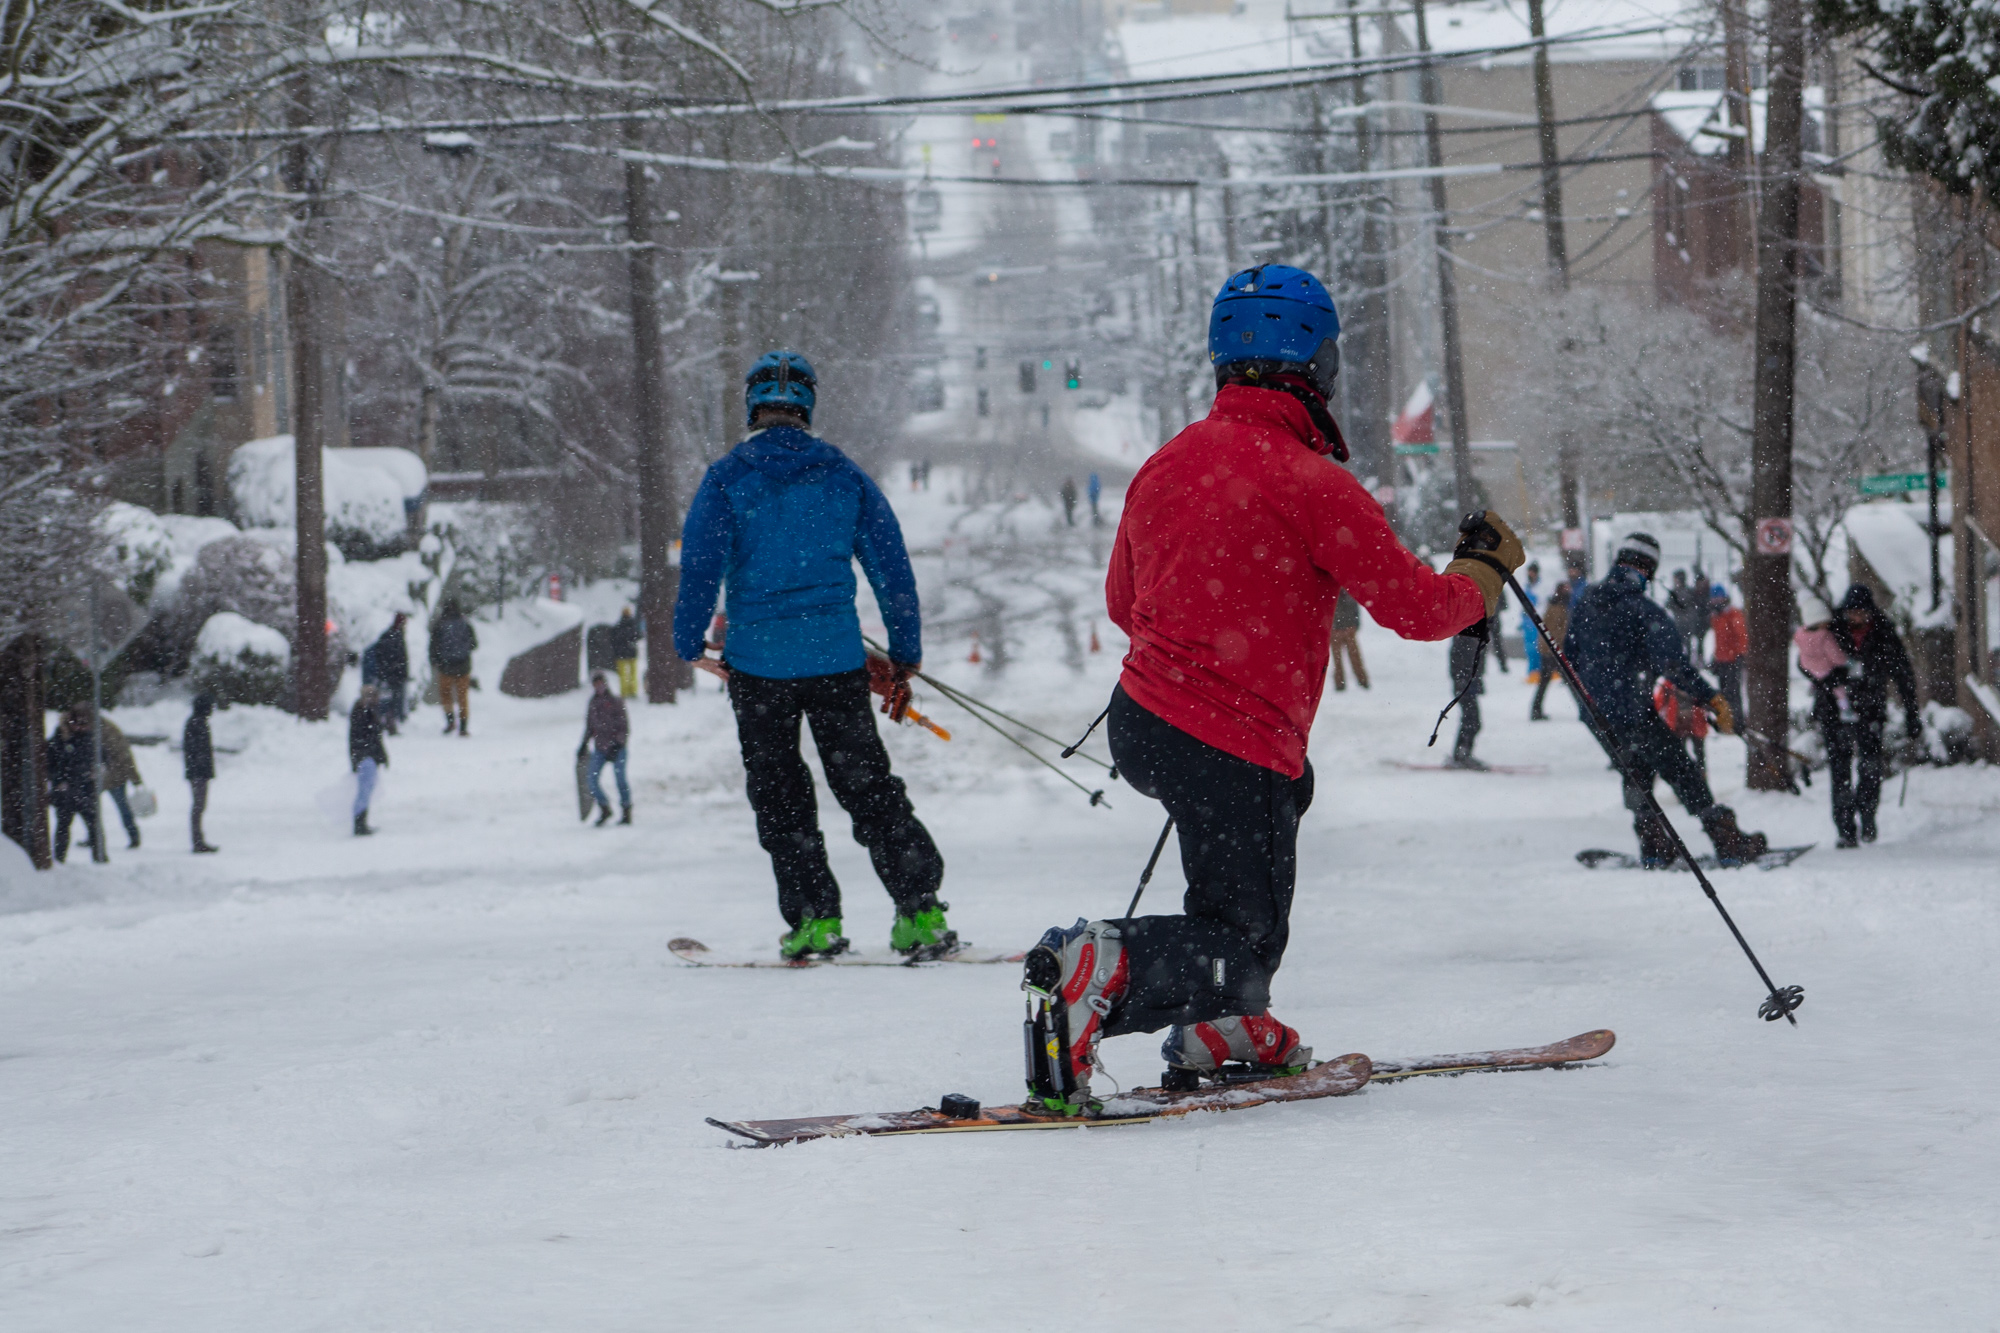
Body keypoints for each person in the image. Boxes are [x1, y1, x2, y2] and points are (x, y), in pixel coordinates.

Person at [1021, 264, 1518, 1115]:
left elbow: (1120, 603)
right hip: (1230, 735)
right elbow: (1416, 608)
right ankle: (1100, 969)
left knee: (1254, 844)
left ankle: (1225, 1027)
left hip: (1143, 720)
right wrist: (1484, 572)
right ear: (1318, 367)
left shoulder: (1167, 464)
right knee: (1245, 934)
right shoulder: (1313, 482)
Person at [675, 349, 954, 962]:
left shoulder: (727, 478)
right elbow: (890, 566)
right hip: (834, 662)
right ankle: (921, 913)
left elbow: (699, 563)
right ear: (809, 405)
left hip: (757, 668)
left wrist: (687, 639)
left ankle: (813, 922)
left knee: (781, 797)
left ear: (753, 406)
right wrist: (904, 650)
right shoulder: (843, 475)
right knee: (870, 789)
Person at [1565, 533, 1768, 867]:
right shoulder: (1643, 609)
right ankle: (1725, 840)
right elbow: (1673, 665)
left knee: (1636, 772)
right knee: (1680, 768)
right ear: (1649, 568)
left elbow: (1568, 656)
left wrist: (1595, 698)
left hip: (1595, 712)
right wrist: (1713, 698)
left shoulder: (1586, 601)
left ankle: (1654, 841)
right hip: (1631, 709)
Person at [1811, 584, 1920, 847]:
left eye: (1861, 613)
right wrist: (1828, 681)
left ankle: (1868, 816)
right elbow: (1807, 659)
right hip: (1835, 710)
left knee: (1870, 768)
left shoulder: (1883, 632)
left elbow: (1902, 673)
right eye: (1852, 613)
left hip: (1870, 709)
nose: (1856, 619)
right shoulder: (1831, 629)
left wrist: (1911, 712)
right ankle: (1845, 828)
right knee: (1840, 771)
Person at [47, 707, 106, 863]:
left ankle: (100, 858)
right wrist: (59, 781)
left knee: (94, 826)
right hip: (66, 791)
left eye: (84, 724)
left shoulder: (89, 738)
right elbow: (50, 764)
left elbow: (103, 756)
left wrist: (96, 770)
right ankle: (59, 858)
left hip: (86, 788)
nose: (80, 727)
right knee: (63, 826)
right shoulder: (58, 740)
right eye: (77, 723)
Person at [578, 669, 632, 826]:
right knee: (591, 781)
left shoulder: (616, 702)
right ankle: (604, 808)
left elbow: (624, 727)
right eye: (596, 684)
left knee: (620, 779)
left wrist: (618, 743)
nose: (598, 687)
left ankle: (626, 809)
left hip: (618, 748)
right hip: (600, 748)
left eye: (601, 683)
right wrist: (583, 744)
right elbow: (589, 727)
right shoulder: (593, 704)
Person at [96, 710, 143, 850]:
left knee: (120, 806)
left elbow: (123, 755)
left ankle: (133, 835)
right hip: (111, 775)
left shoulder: (106, 731)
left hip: (112, 775)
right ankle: (133, 835)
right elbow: (125, 755)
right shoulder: (107, 729)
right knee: (121, 807)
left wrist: (134, 777)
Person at [429, 599, 477, 735]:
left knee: (446, 695)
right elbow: (474, 644)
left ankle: (450, 721)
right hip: (463, 666)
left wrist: (435, 661)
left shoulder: (440, 625)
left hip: (445, 667)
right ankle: (463, 726)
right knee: (463, 696)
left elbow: (433, 646)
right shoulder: (465, 624)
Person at [1530, 579, 1572, 721]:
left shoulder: (1556, 605)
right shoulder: (1558, 607)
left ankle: (1535, 710)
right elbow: (1556, 630)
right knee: (1570, 680)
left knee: (1546, 681)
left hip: (1550, 648)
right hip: (1552, 650)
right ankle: (1586, 710)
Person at [349, 684, 388, 836]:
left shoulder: (370, 712)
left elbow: (376, 738)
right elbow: (362, 738)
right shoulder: (361, 712)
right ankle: (359, 824)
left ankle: (361, 822)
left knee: (366, 789)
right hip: (364, 757)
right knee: (364, 791)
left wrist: (382, 756)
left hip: (367, 756)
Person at [185, 693, 218, 853]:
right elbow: (197, 750)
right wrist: (202, 770)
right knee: (198, 806)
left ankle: (198, 840)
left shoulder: (196, 723)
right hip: (199, 772)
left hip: (198, 771)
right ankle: (197, 841)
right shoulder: (197, 724)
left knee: (199, 806)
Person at [1709, 585, 1747, 723]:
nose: (1715, 601)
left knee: (1734, 693)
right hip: (1721, 661)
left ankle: (1737, 721)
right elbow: (1718, 640)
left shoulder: (1733, 614)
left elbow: (1741, 635)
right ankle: (1726, 721)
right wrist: (1715, 657)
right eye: (1713, 598)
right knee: (1723, 693)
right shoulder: (1716, 616)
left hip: (1732, 660)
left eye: (1718, 597)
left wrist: (1740, 655)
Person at [370, 613, 410, 734]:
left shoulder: (387, 635)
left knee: (385, 699)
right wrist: (402, 671)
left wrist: (383, 669)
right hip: (395, 674)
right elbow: (402, 657)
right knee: (393, 700)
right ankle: (389, 723)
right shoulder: (397, 636)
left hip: (386, 673)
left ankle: (382, 722)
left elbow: (378, 653)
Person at [1328, 590, 1368, 691]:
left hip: (1347, 628)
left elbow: (1355, 610)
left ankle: (1362, 680)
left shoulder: (1349, 593)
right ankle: (1340, 683)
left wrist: (1354, 625)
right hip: (1337, 629)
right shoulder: (1334, 594)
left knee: (1354, 656)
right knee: (1338, 658)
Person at [1667, 568, 1709, 662]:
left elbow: (1670, 605)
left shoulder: (1677, 593)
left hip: (1682, 623)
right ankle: (1693, 660)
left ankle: (1685, 662)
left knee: (1683, 645)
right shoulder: (1690, 591)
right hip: (1690, 622)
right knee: (1689, 644)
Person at [609, 607, 643, 700]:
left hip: (621, 653)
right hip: (631, 652)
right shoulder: (633, 625)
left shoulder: (618, 626)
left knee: (623, 674)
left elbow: (613, 639)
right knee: (633, 673)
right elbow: (638, 636)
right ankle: (633, 691)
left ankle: (624, 692)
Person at [1519, 562, 1543, 683]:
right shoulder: (1527, 586)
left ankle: (1538, 672)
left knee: (1536, 649)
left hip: (1535, 622)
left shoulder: (1541, 587)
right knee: (1529, 649)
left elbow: (1541, 604)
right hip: (1527, 622)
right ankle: (1532, 672)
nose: (1530, 574)